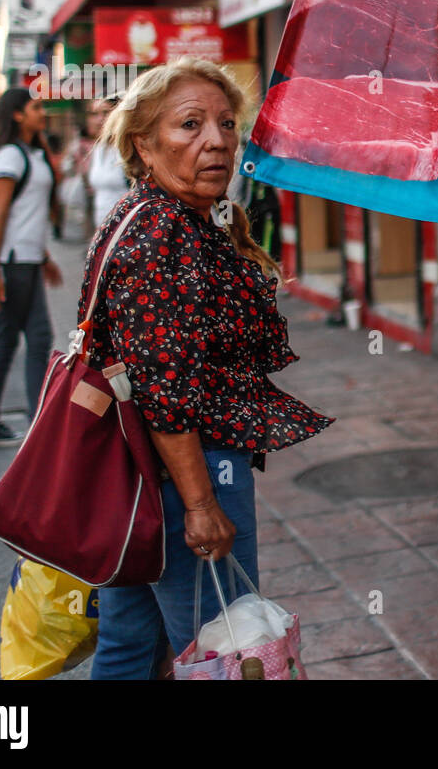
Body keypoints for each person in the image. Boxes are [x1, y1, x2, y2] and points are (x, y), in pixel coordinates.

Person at [82, 58, 333, 680]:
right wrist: (199, 503)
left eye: (226, 124)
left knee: (131, 649)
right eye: (190, 125)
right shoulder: (161, 231)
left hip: (134, 477)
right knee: (222, 645)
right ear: (144, 143)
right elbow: (165, 388)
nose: (216, 140)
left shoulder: (150, 215)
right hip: (186, 471)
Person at [0, 87, 60, 448]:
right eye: (36, 107)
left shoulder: (31, 153)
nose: (42, 112)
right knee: (30, 339)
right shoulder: (8, 155)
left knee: (12, 341)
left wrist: (45, 257)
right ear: (17, 114)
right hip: (10, 263)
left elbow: (28, 216)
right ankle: (33, 426)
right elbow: (0, 213)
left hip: (26, 260)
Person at [85, 97, 130, 228]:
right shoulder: (98, 149)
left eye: (105, 112)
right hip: (103, 228)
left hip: (126, 228)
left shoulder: (127, 149)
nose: (100, 119)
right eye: (94, 114)